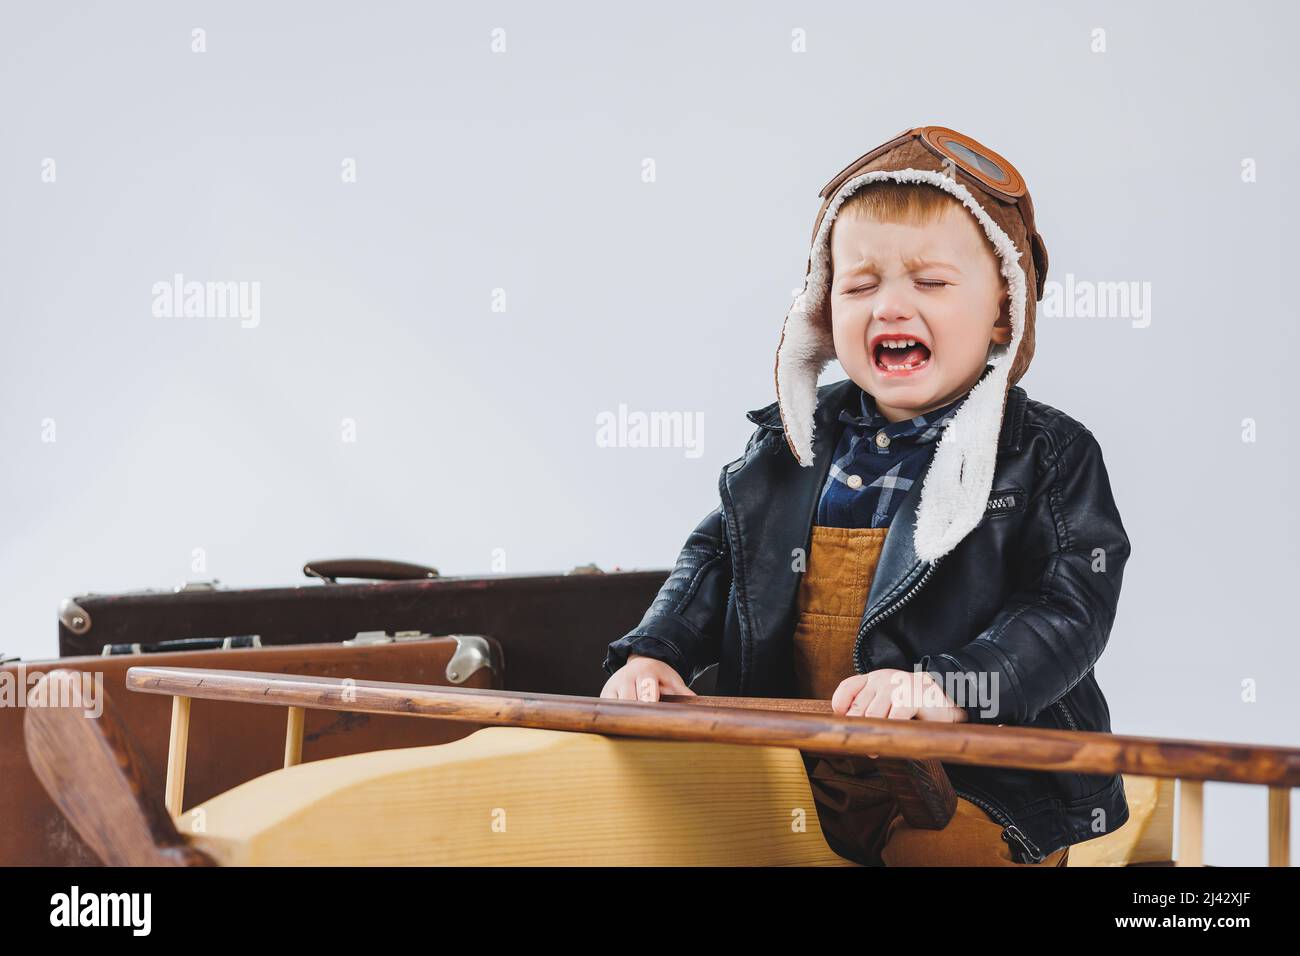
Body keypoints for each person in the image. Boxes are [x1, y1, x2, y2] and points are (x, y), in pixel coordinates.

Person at [600, 127, 1132, 866]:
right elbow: (716, 557)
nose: (890, 306)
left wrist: (950, 688)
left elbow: (1068, 610)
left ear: (1005, 311)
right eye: (859, 285)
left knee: (949, 857)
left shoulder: (1045, 456)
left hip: (975, 778)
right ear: (822, 309)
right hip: (801, 765)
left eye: (931, 283)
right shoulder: (790, 447)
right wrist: (656, 653)